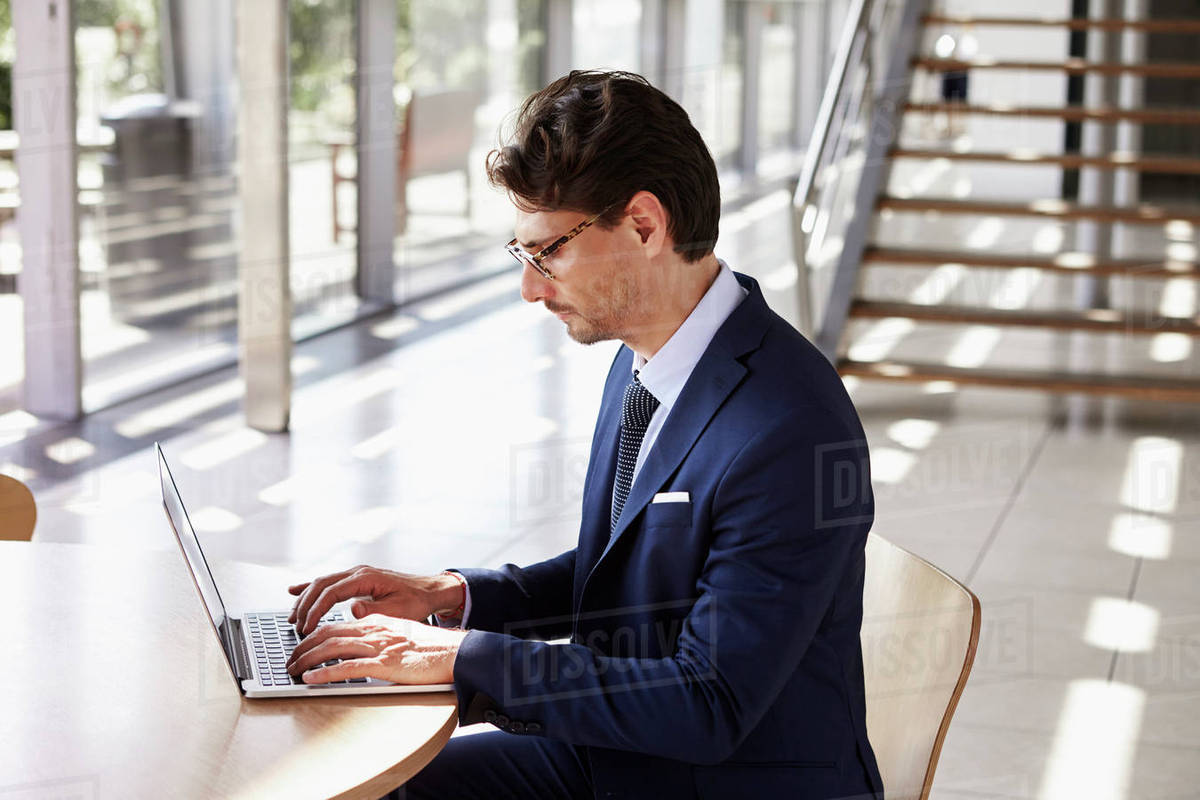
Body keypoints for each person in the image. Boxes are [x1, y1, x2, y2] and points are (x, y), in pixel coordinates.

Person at [285, 70, 883, 800]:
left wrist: (462, 657)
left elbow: (710, 704)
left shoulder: (790, 429)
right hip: (622, 754)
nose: (532, 288)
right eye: (524, 254)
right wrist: (455, 598)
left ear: (643, 224)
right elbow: (629, 573)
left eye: (550, 252)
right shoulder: (648, 352)